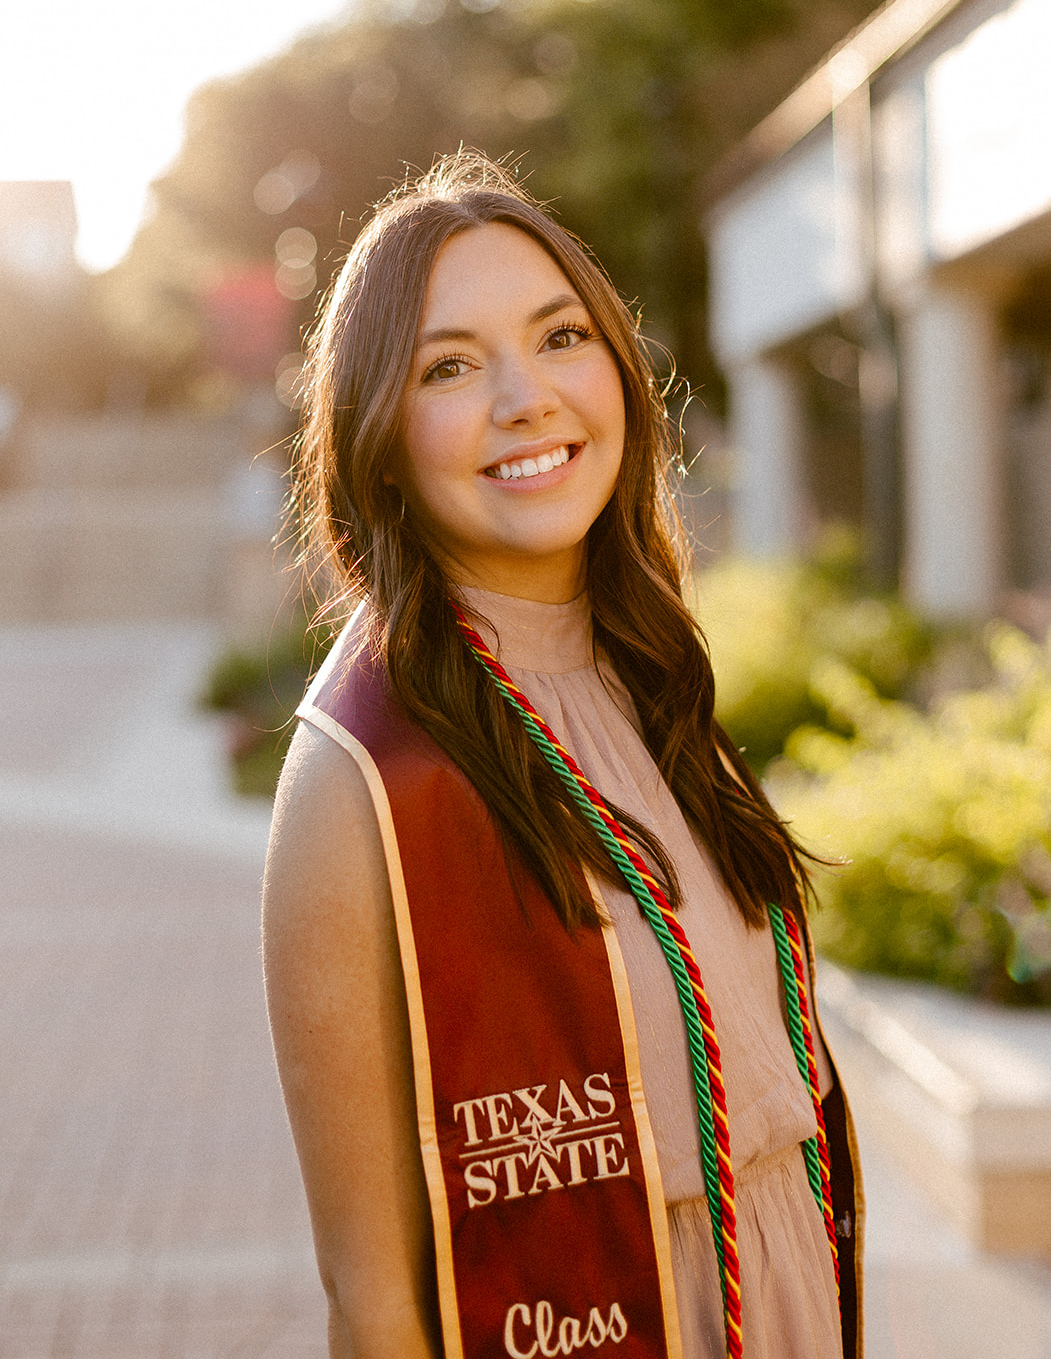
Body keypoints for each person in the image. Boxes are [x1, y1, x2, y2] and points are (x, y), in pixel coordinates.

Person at [262, 154, 862, 1359]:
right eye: (448, 365)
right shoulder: (367, 782)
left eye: (560, 336)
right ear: (378, 437)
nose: (524, 397)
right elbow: (371, 1300)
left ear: (621, 377)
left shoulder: (654, 682)